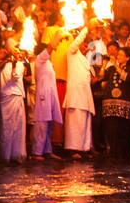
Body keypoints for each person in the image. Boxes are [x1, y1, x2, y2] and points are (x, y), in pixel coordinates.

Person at [63, 27, 93, 158]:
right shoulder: (72, 53)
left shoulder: (85, 60)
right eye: (83, 45)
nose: (85, 48)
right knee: (75, 124)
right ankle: (73, 149)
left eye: (87, 46)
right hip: (75, 95)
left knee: (84, 123)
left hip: (85, 96)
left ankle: (84, 148)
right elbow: (76, 42)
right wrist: (87, 28)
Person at [32, 42, 61, 159]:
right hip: (43, 96)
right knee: (42, 123)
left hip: (51, 94)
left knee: (49, 123)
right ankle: (36, 152)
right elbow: (48, 50)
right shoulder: (39, 60)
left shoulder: (49, 63)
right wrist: (57, 38)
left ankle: (47, 151)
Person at [0, 50, 27, 163]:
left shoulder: (4, 66)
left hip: (8, 97)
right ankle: (14, 154)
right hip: (13, 97)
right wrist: (18, 65)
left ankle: (8, 154)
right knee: (16, 127)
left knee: (6, 127)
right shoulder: (16, 65)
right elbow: (15, 76)